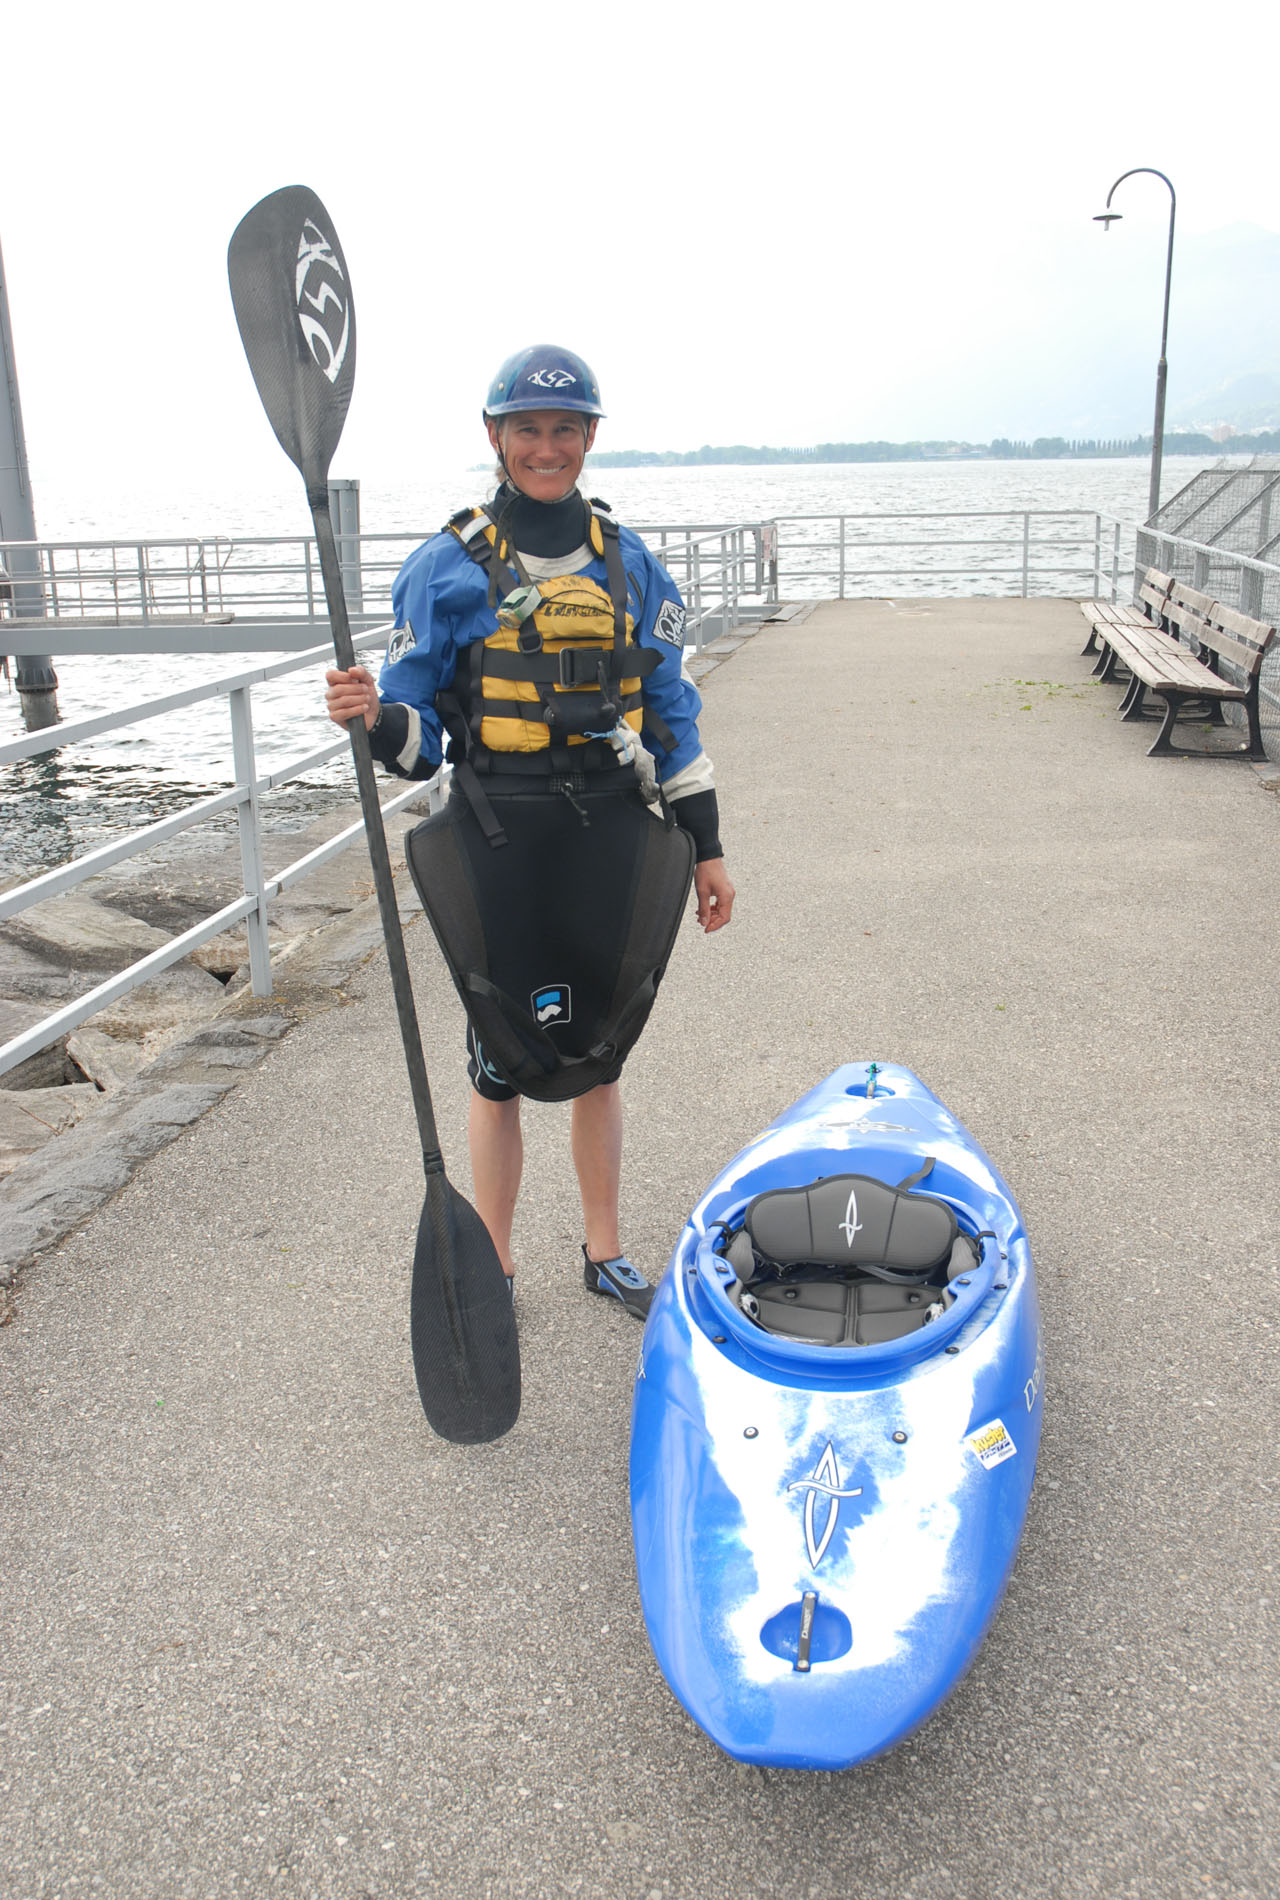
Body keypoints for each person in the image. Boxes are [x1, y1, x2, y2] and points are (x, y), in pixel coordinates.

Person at [325, 344, 733, 1319]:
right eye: (526, 430)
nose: (544, 447)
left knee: (599, 1048)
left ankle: (603, 1251)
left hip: (603, 831)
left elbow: (671, 718)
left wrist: (706, 845)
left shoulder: (627, 562)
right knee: (499, 1057)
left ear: (588, 437)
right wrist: (371, 714)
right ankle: (496, 1263)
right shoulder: (444, 567)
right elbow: (422, 748)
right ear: (495, 438)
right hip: (496, 835)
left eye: (563, 429)